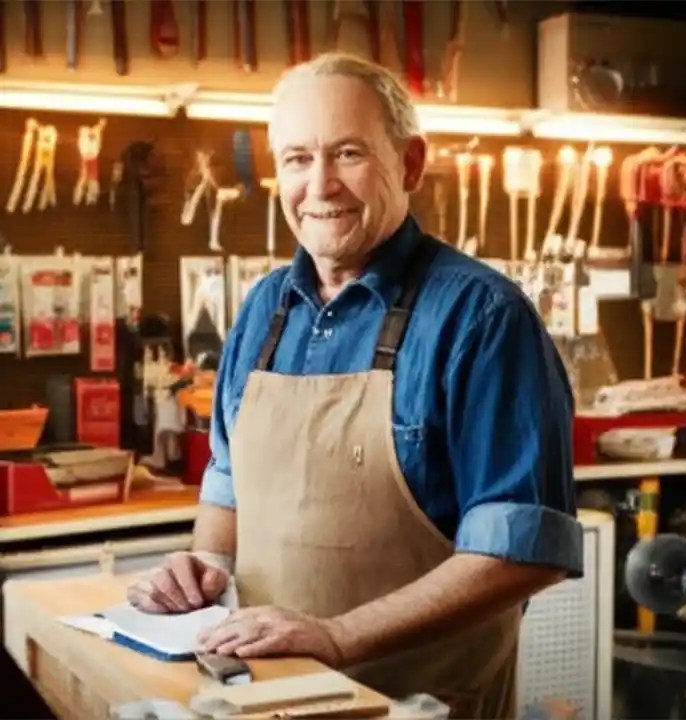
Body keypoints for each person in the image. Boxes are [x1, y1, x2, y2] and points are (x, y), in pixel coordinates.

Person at [126, 53, 582, 718]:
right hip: (270, 696)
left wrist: (338, 638)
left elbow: (523, 554)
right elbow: (229, 480)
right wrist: (208, 565)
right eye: (296, 158)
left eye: (347, 154)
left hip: (420, 705)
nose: (320, 185)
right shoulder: (262, 311)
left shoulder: (481, 317)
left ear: (411, 164)